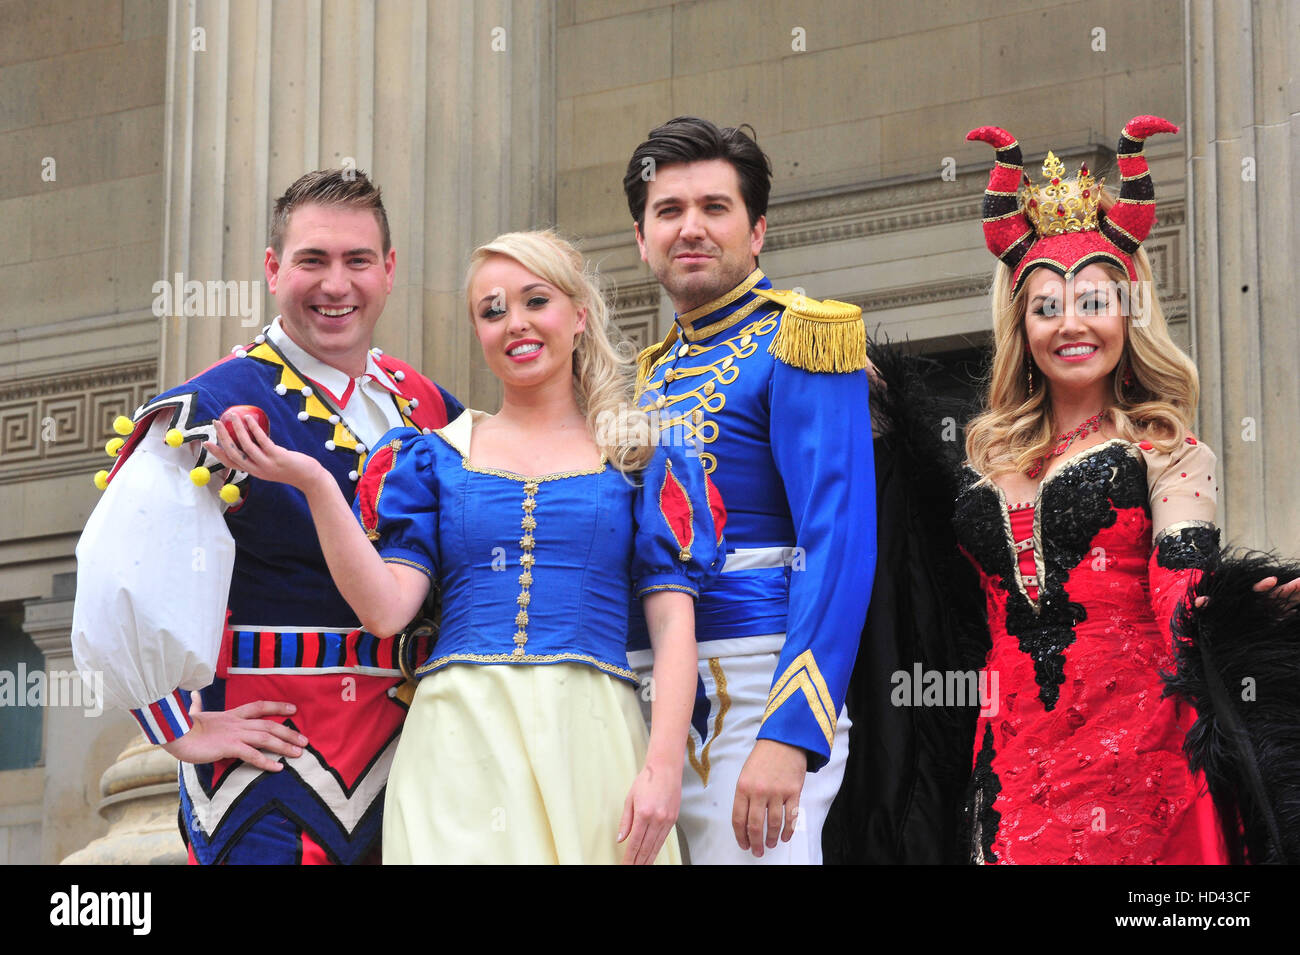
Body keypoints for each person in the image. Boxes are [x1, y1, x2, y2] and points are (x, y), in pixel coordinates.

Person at [204, 230, 725, 864]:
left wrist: (663, 769)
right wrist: (314, 483)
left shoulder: (640, 456)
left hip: (593, 738)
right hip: (455, 742)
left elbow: (673, 625)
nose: (516, 324)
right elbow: (387, 611)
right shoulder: (435, 457)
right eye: (492, 310)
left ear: (579, 314)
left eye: (537, 300)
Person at [71, 169, 463, 864]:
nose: (336, 284)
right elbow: (117, 574)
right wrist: (178, 728)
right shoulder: (211, 408)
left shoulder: (429, 407)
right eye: (313, 260)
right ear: (274, 268)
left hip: (416, 761)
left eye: (357, 260)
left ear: (390, 269)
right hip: (277, 774)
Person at [957, 116, 1300, 863]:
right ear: (1020, 321)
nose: (1071, 323)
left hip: (1138, 751)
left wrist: (1238, 605)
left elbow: (1180, 585)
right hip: (1010, 761)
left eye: (1095, 300)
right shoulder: (982, 460)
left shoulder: (1168, 450)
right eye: (1047, 304)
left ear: (1129, 314)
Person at [621, 116, 876, 864]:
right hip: (646, 692)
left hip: (757, 680)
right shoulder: (646, 373)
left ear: (757, 230)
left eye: (714, 208)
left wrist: (793, 731)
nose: (690, 228)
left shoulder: (804, 335)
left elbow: (838, 541)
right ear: (642, 240)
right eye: (668, 212)